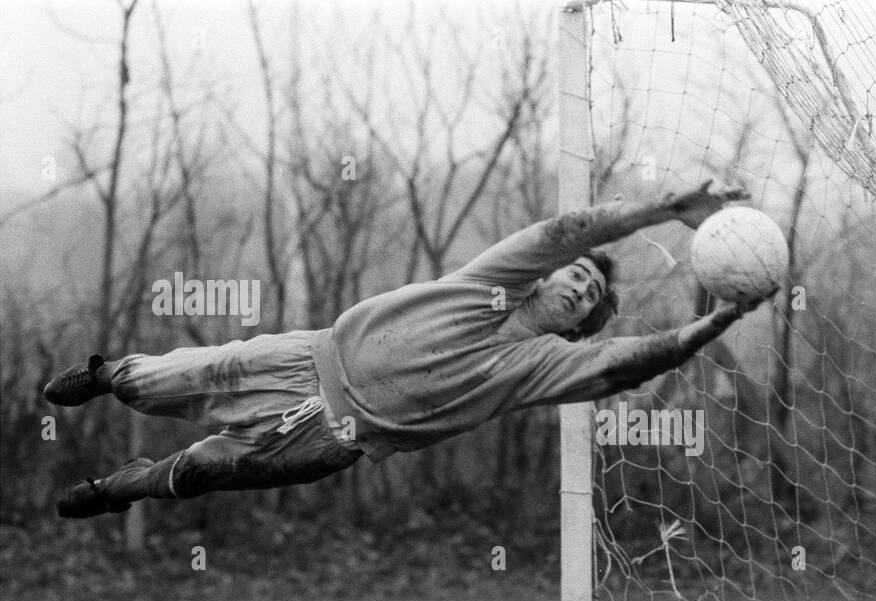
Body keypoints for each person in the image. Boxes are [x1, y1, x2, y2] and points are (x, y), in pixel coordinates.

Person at [45, 183, 769, 517]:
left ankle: (119, 489)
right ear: (548, 278)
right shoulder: (492, 281)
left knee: (200, 471)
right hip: (305, 359)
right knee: (157, 383)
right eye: (576, 276)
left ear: (581, 324)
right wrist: (667, 209)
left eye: (590, 298)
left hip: (335, 437)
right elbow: (566, 230)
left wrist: (702, 333)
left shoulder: (536, 366)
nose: (579, 286)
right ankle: (107, 374)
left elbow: (623, 363)